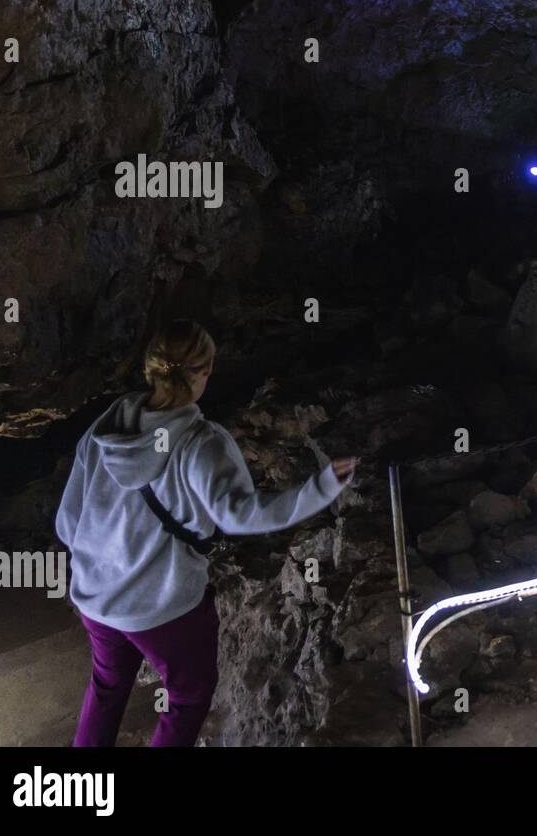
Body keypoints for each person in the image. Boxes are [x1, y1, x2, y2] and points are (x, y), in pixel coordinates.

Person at [54, 319, 357, 746]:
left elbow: (68, 521)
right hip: (161, 609)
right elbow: (242, 517)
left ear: (150, 367)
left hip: (94, 597)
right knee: (187, 699)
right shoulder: (201, 443)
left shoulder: (110, 425)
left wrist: (102, 563)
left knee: (106, 687)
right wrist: (320, 489)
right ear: (204, 372)